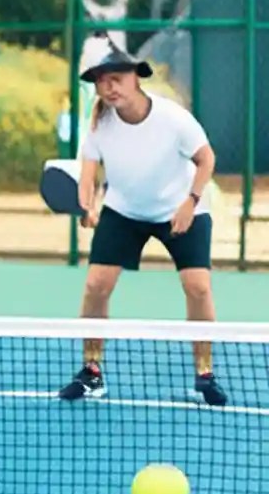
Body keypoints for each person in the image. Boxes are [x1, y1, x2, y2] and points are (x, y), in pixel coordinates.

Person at [57, 38, 226, 406]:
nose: (109, 87)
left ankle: (205, 372)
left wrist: (191, 201)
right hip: (125, 212)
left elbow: (207, 159)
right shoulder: (99, 124)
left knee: (197, 287)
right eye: (102, 81)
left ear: (136, 79)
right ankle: (91, 371)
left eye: (116, 79)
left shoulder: (172, 118)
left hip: (181, 208)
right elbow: (88, 173)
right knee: (96, 285)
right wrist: (87, 206)